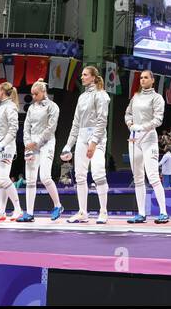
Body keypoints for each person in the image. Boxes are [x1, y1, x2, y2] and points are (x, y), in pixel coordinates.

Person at [61, 66, 111, 224]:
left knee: (98, 173)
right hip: (82, 137)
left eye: (85, 75)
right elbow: (75, 124)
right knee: (80, 175)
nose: (82, 77)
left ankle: (103, 211)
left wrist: (94, 142)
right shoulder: (82, 97)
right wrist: (68, 145)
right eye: (82, 75)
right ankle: (82, 212)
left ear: (94, 78)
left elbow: (102, 120)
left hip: (96, 138)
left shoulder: (102, 95)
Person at [124, 70, 169, 224]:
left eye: (146, 77)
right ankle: (141, 213)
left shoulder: (157, 98)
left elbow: (158, 120)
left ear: (152, 80)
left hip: (149, 137)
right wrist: (131, 124)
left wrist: (142, 127)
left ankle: (163, 212)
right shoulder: (135, 97)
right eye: (141, 78)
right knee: (137, 177)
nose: (142, 80)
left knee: (153, 175)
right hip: (134, 138)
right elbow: (128, 113)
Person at [18, 80, 62, 223]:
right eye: (32, 94)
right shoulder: (31, 108)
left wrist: (36, 143)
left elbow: (51, 128)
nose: (33, 97)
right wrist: (27, 145)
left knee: (44, 177)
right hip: (31, 144)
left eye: (36, 94)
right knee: (30, 180)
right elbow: (26, 128)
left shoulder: (53, 107)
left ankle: (58, 205)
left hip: (47, 143)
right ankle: (29, 213)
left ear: (43, 92)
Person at [0, 81, 22, 221]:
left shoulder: (11, 107)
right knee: (1, 181)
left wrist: (3, 144)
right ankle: (1, 211)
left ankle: (18, 209)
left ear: (2, 91)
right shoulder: (2, 107)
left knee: (3, 178)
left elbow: (14, 129)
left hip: (5, 147)